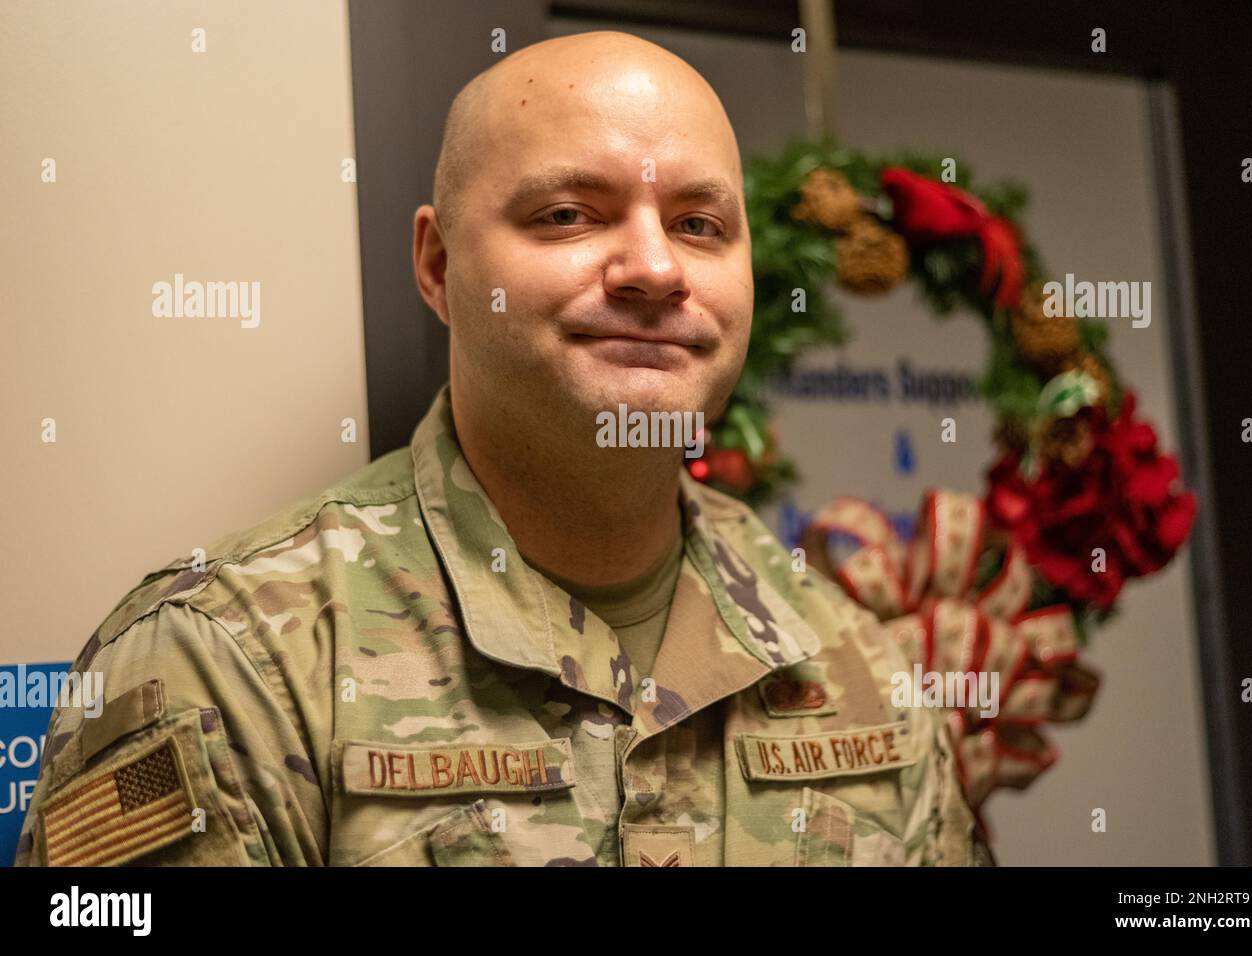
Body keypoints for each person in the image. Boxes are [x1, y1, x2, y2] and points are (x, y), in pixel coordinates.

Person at [15, 30, 990, 867]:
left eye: (699, 225)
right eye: (567, 214)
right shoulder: (233, 665)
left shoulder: (850, 662)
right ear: (440, 266)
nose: (654, 267)